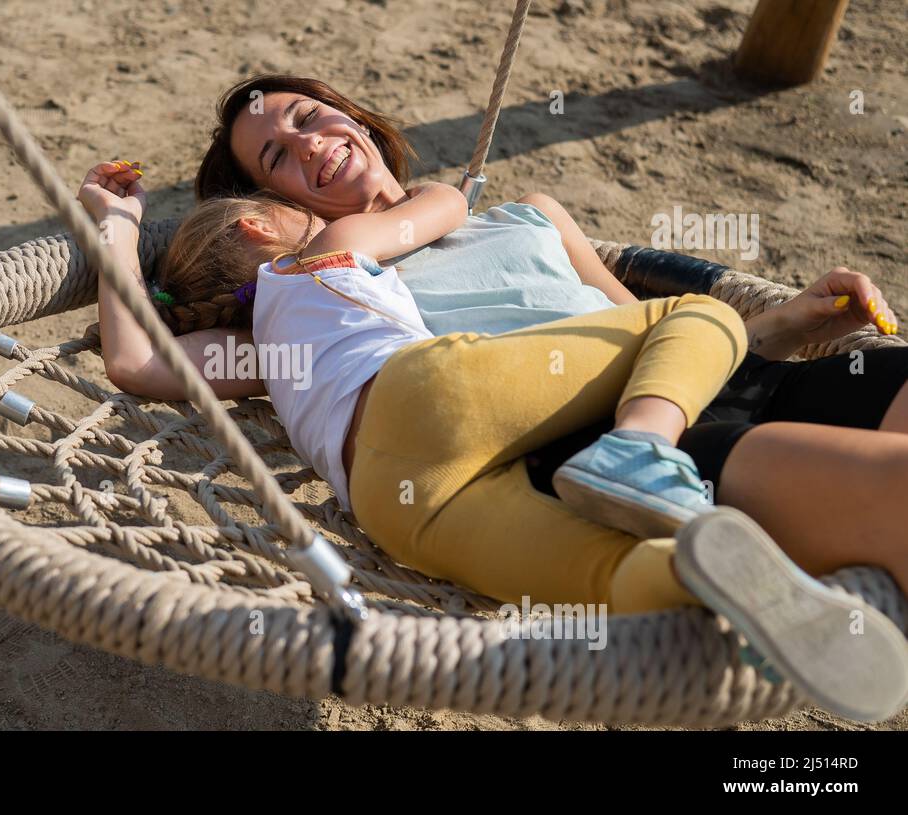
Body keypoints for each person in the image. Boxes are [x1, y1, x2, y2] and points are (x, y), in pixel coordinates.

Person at [75, 158, 908, 722]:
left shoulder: (265, 350)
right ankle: (641, 445)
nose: (309, 162)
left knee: (605, 577)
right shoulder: (329, 253)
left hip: (396, 505)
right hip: (436, 394)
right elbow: (448, 204)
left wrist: (115, 228)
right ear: (262, 224)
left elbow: (135, 362)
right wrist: (440, 187)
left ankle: (717, 573)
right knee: (696, 314)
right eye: (280, 170)